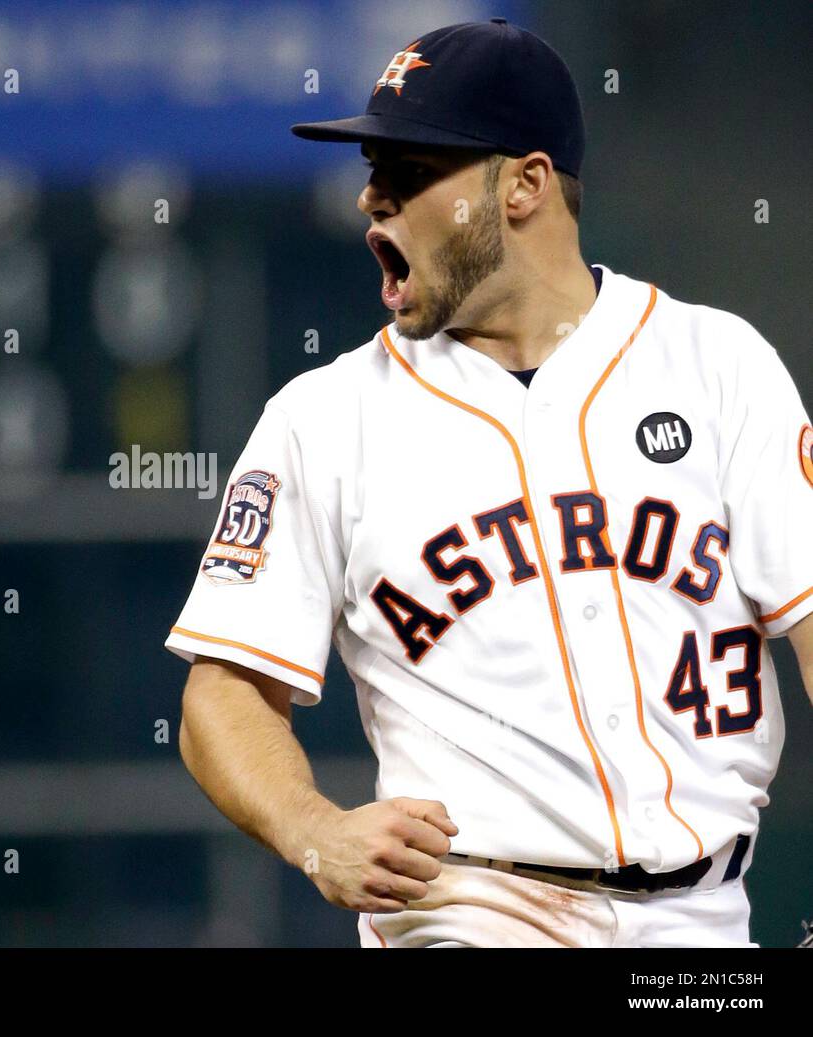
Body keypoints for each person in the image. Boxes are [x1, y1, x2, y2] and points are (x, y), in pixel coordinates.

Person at [164, 18, 813, 947]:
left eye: (412, 171)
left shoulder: (716, 364)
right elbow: (218, 696)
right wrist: (318, 833)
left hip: (704, 927)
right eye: (370, 171)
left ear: (525, 184)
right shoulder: (325, 418)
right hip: (468, 910)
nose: (372, 201)